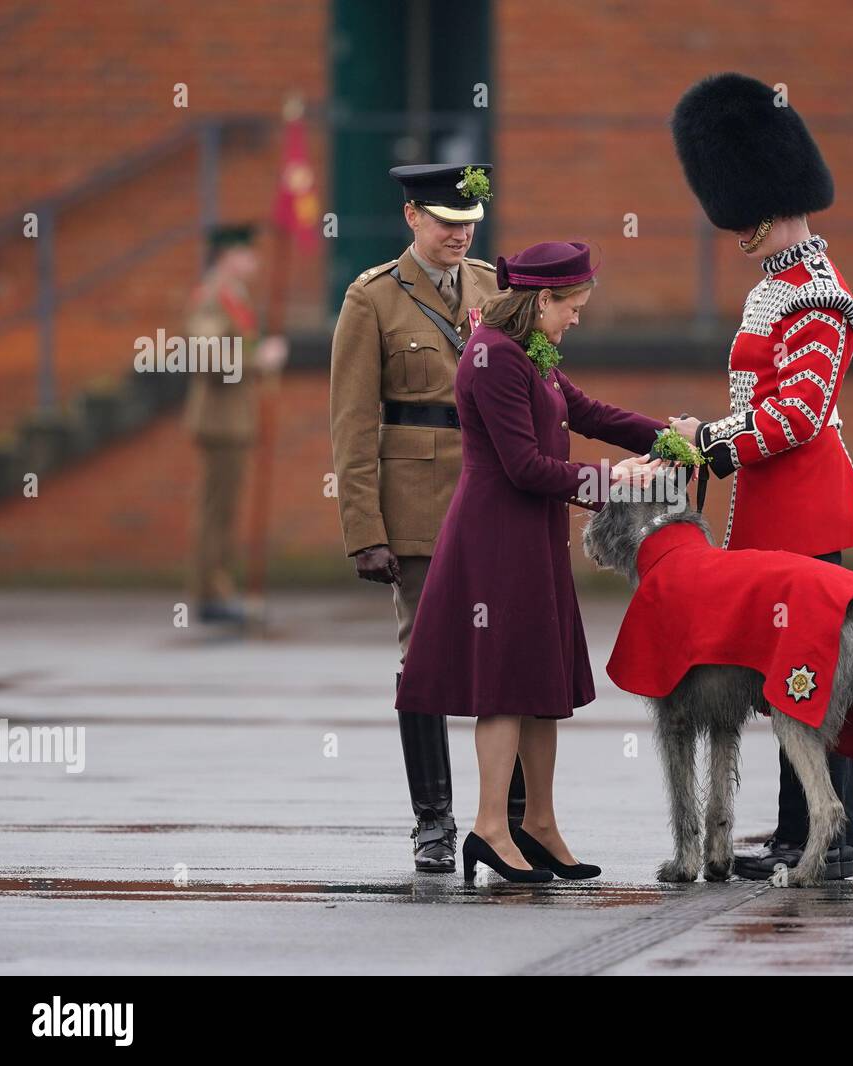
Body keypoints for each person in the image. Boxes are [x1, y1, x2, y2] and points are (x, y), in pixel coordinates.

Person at [395, 241, 667, 883]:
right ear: (542, 299)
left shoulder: (528, 351)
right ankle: (491, 825)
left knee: (540, 682)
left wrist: (674, 439)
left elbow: (591, 413)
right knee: (504, 684)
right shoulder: (493, 358)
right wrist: (613, 482)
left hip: (533, 531)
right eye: (572, 306)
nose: (577, 318)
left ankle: (538, 822)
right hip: (496, 538)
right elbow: (523, 466)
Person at [667, 73, 853, 882]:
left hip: (804, 509)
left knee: (810, 675)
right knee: (790, 672)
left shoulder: (818, 295)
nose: (737, 233)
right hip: (771, 506)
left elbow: (797, 418)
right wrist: (709, 434)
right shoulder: (777, 287)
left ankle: (829, 836)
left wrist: (712, 444)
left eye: (745, 217)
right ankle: (799, 831)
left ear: (772, 201)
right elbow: (765, 407)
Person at [329, 162, 525, 873]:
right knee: (425, 661)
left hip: (494, 488)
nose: (458, 234)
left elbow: (535, 387)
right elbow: (352, 423)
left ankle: (506, 821)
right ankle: (434, 822)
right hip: (414, 501)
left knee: (507, 654)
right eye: (446, 222)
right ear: (412, 216)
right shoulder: (371, 298)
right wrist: (365, 532)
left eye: (468, 223)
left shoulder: (493, 289)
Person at [184, 222, 287, 625]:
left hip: (233, 421)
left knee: (223, 511)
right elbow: (206, 357)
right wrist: (257, 360)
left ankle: (217, 589)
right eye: (247, 252)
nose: (254, 261)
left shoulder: (233, 296)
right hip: (219, 421)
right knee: (215, 512)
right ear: (228, 256)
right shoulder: (214, 297)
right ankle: (210, 592)